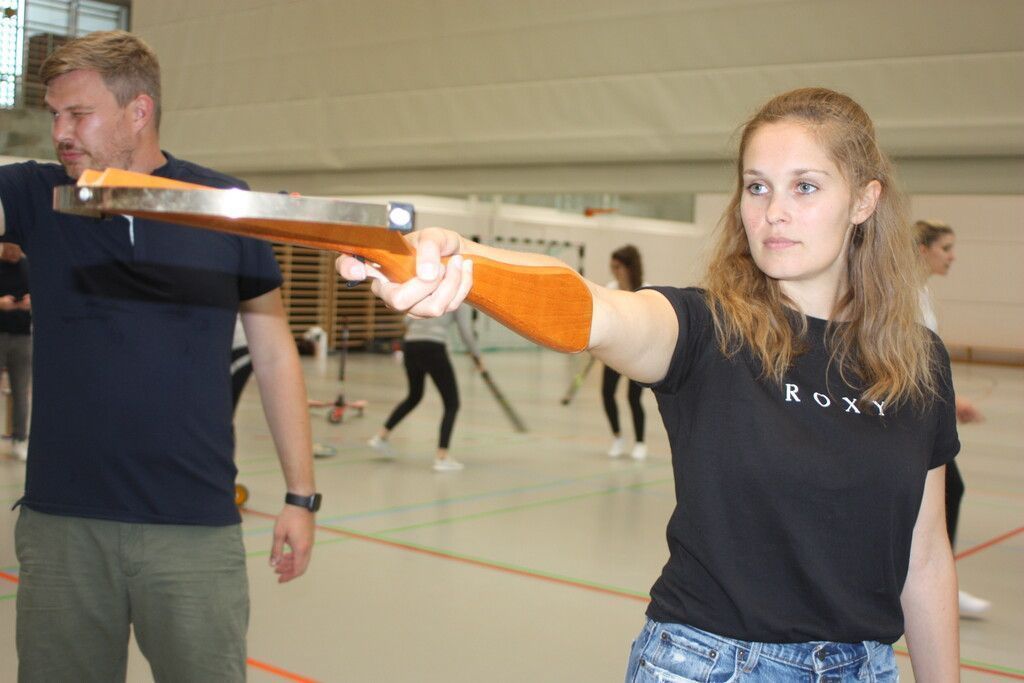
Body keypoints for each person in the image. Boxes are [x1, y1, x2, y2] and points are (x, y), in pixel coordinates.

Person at [339, 88, 960, 680]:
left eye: (805, 186)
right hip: (713, 666)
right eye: (756, 187)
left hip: (867, 667)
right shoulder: (707, 330)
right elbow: (591, 309)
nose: (774, 212)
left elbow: (926, 559)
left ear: (864, 200)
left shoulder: (918, 362)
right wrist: (466, 265)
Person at [0, 31, 317, 681]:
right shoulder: (36, 195)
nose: (61, 131)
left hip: (192, 525)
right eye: (53, 115)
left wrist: (300, 495)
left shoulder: (221, 205)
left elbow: (275, 352)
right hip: (63, 524)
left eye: (78, 114)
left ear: (137, 112)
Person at [916, 218, 991, 619]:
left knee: (947, 491)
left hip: (924, 413)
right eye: (945, 248)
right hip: (906, 417)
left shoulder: (923, 292)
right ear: (924, 249)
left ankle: (939, 581)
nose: (952, 256)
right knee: (948, 489)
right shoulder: (904, 292)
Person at [368, 305, 482, 471]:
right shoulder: (461, 297)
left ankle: (381, 437)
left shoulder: (428, 291)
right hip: (433, 348)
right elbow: (466, 332)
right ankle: (442, 457)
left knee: (414, 396)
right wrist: (478, 357)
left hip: (410, 346)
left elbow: (407, 319)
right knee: (452, 404)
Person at [603, 245, 649, 460]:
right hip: (613, 353)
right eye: (612, 267)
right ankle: (617, 437)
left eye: (618, 267)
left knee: (633, 398)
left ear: (630, 267)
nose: (614, 271)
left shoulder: (646, 291)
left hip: (637, 355)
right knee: (607, 393)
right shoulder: (609, 289)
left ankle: (640, 442)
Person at [0, 242, 31, 461]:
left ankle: (20, 440)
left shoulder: (29, 267)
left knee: (21, 392)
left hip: (22, 337)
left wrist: (31, 301)